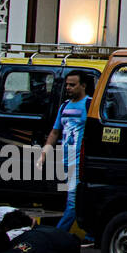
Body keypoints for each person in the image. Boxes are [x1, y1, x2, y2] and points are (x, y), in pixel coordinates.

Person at [37, 71, 89, 235]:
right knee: (76, 200)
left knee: (73, 202)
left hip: (80, 161)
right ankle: (90, 234)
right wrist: (44, 153)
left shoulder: (89, 105)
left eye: (72, 85)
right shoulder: (64, 106)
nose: (68, 88)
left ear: (83, 86)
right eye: (67, 84)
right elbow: (54, 132)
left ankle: (57, 234)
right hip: (66, 160)